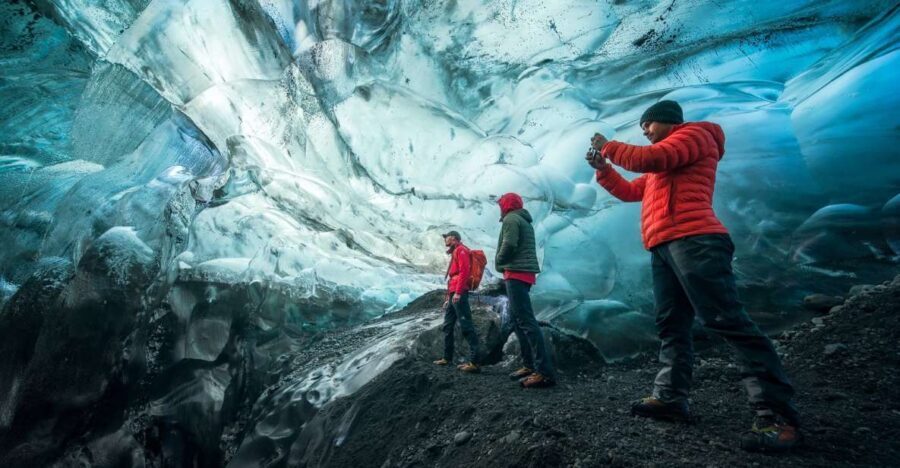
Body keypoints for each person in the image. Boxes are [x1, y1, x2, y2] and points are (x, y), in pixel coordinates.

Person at [586, 100, 801, 452]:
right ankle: (671, 398)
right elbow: (630, 191)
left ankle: (777, 416)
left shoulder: (696, 137)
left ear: (668, 121)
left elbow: (649, 158)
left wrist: (607, 144)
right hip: (665, 246)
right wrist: (603, 168)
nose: (645, 132)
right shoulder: (666, 164)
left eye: (648, 126)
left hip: (695, 240)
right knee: (672, 324)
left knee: (726, 319)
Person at [495, 193, 557, 388]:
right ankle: (529, 364)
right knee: (517, 320)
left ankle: (544, 372)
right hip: (523, 274)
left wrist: (499, 261)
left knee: (526, 321)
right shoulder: (524, 220)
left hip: (516, 274)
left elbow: (510, 244)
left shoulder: (511, 219)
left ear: (506, 205)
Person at [433, 231, 481, 373]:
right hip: (454, 293)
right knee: (448, 326)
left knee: (466, 325)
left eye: (446, 237)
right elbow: (453, 278)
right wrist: (449, 297)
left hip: (459, 293)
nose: (445, 239)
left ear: (454, 238)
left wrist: (459, 292)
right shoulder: (455, 251)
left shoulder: (461, 250)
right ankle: (447, 358)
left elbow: (464, 272)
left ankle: (475, 362)